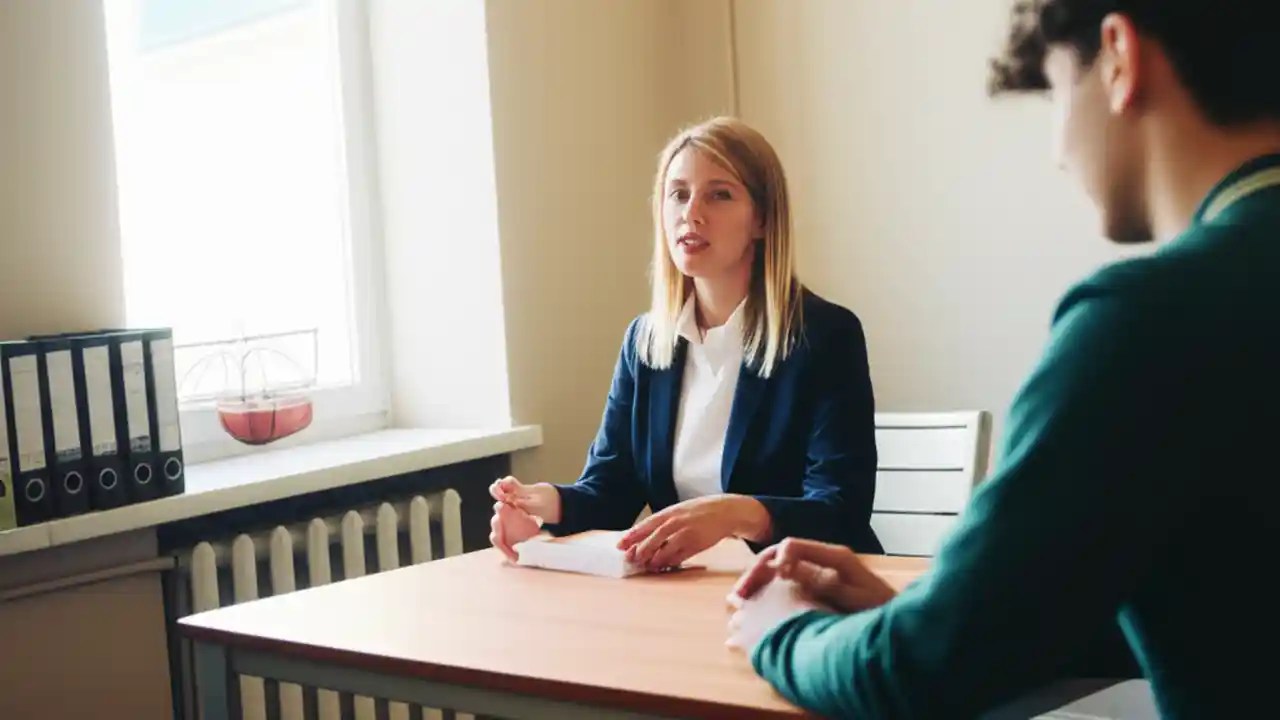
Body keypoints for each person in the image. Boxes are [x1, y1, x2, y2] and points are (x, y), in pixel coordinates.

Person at [726, 1, 1280, 717]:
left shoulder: (1147, 318)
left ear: (1119, 56)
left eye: (1054, 92)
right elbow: (1230, 602)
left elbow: (920, 672)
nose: (1057, 149)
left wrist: (783, 630)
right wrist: (944, 605)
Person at [489, 116, 883, 572]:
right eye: (678, 194)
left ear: (762, 218)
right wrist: (543, 507)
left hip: (805, 587)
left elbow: (840, 508)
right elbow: (611, 493)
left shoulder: (824, 336)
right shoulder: (645, 342)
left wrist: (735, 513)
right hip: (693, 589)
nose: (691, 213)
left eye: (719, 194)